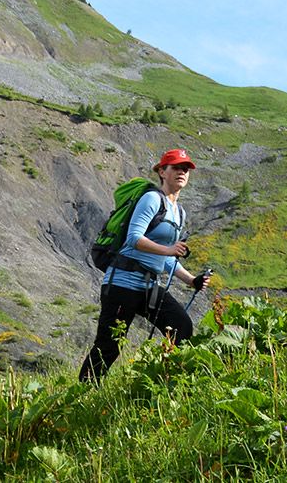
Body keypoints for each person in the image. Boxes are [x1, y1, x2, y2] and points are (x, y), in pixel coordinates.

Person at [79, 149, 212, 383]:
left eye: (186, 169)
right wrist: (170, 249)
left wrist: (192, 280)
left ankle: (164, 384)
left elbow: (166, 258)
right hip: (122, 282)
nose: (182, 172)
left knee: (181, 327)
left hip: (149, 286)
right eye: (176, 167)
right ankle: (82, 395)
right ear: (162, 171)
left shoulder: (179, 212)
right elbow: (134, 238)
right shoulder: (151, 199)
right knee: (108, 347)